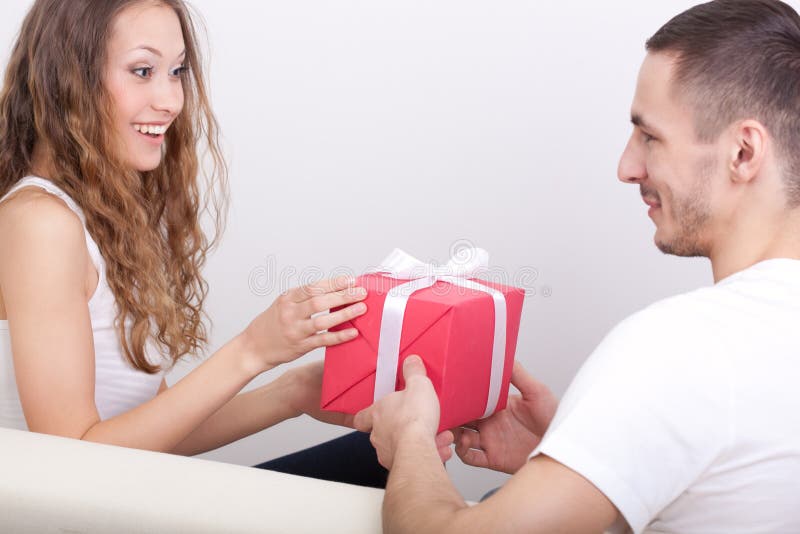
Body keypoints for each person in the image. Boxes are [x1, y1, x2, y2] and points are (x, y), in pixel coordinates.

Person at [354, 0, 800, 531]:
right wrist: (585, 460)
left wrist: (409, 442)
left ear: (744, 152)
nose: (626, 167)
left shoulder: (685, 347)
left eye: (650, 136)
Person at [0, 0, 390, 488]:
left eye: (177, 70)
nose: (171, 100)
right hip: (82, 514)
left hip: (135, 499)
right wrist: (252, 349)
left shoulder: (103, 217)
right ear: (66, 79)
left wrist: (295, 392)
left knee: (384, 455)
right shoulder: (39, 222)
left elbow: (152, 431)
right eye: (142, 70)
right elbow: (72, 462)